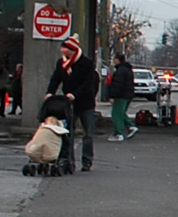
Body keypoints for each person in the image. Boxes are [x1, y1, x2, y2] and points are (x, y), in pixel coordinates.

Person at [47, 36, 100, 171]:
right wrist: (50, 92)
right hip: (69, 103)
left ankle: (87, 161)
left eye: (65, 48)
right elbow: (55, 79)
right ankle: (68, 160)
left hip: (85, 102)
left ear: (72, 49)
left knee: (88, 133)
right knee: (68, 132)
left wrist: (75, 94)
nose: (62, 50)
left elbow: (88, 83)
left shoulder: (86, 63)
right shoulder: (62, 63)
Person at [106, 52, 136, 141]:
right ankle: (130, 126)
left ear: (117, 59)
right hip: (128, 95)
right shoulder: (128, 70)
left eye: (114, 59)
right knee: (121, 113)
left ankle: (118, 133)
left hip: (120, 95)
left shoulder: (120, 71)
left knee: (116, 114)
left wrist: (111, 96)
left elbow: (117, 85)